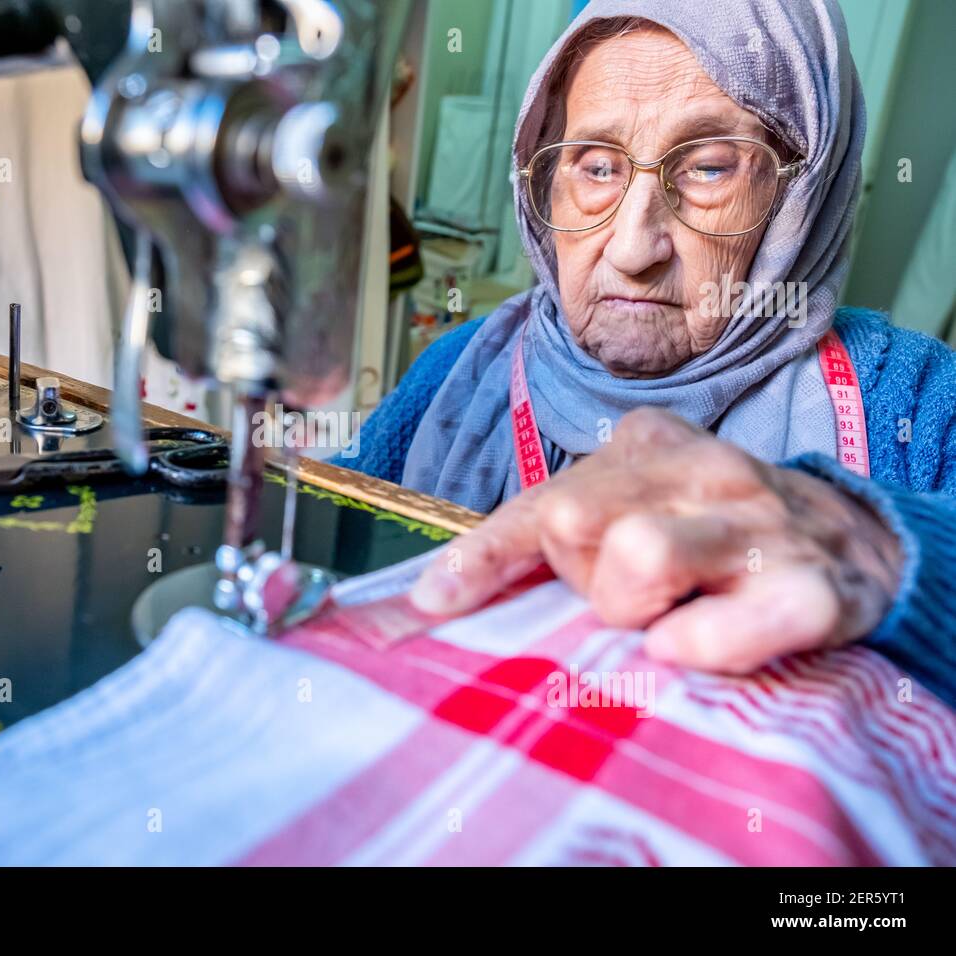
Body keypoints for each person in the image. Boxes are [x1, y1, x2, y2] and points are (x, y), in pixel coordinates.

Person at [341, 0, 956, 705]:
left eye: (709, 168)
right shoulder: (459, 367)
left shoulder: (909, 395)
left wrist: (871, 543)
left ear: (801, 198)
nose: (633, 249)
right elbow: (324, 522)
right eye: (596, 167)